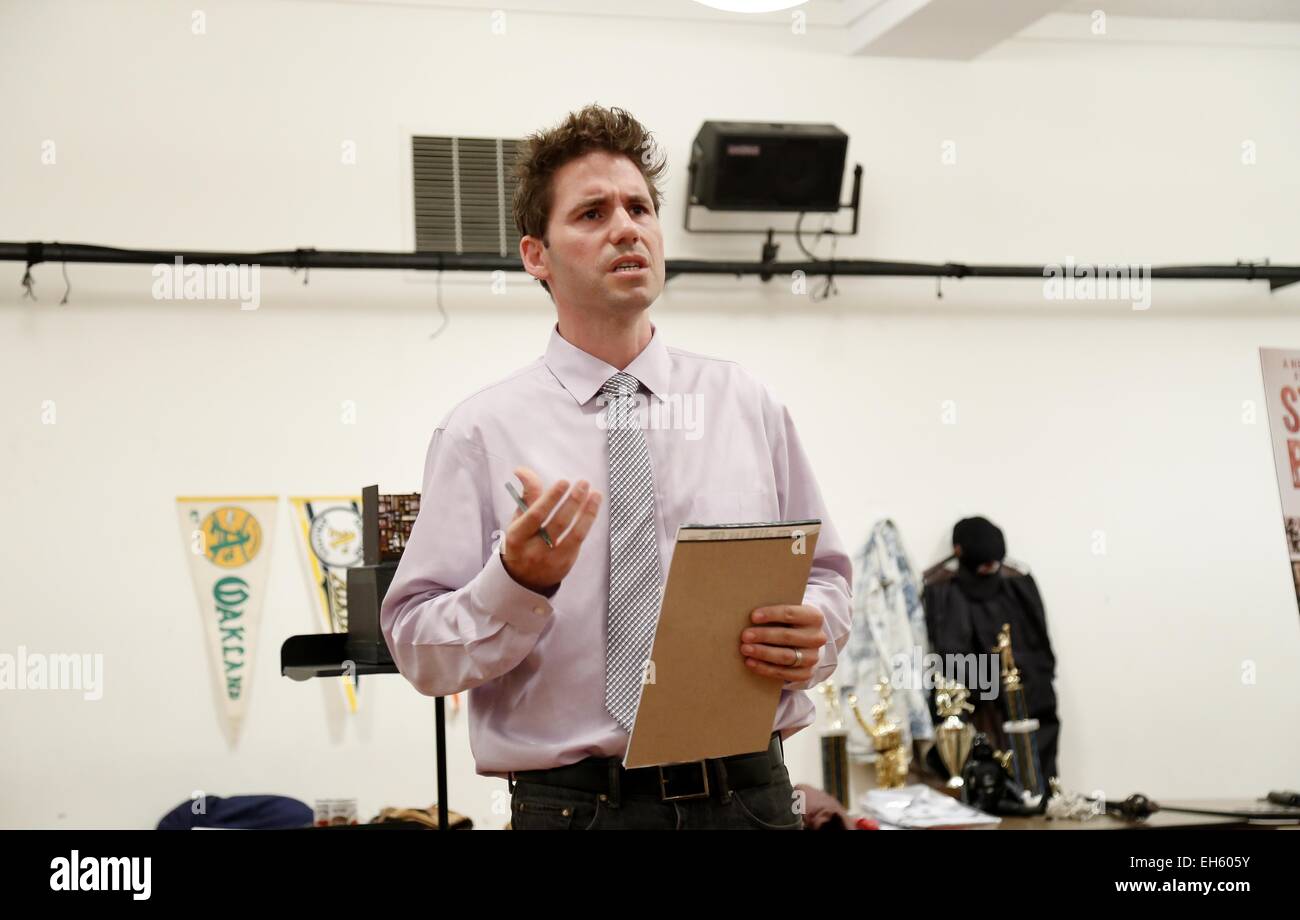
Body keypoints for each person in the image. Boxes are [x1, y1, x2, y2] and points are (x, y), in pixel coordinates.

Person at [381, 104, 852, 829]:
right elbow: (419, 651)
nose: (627, 228)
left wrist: (814, 628)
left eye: (640, 208)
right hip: (578, 810)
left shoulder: (744, 403)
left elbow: (826, 576)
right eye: (593, 213)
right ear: (536, 255)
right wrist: (517, 583)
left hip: (752, 799)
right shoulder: (481, 431)